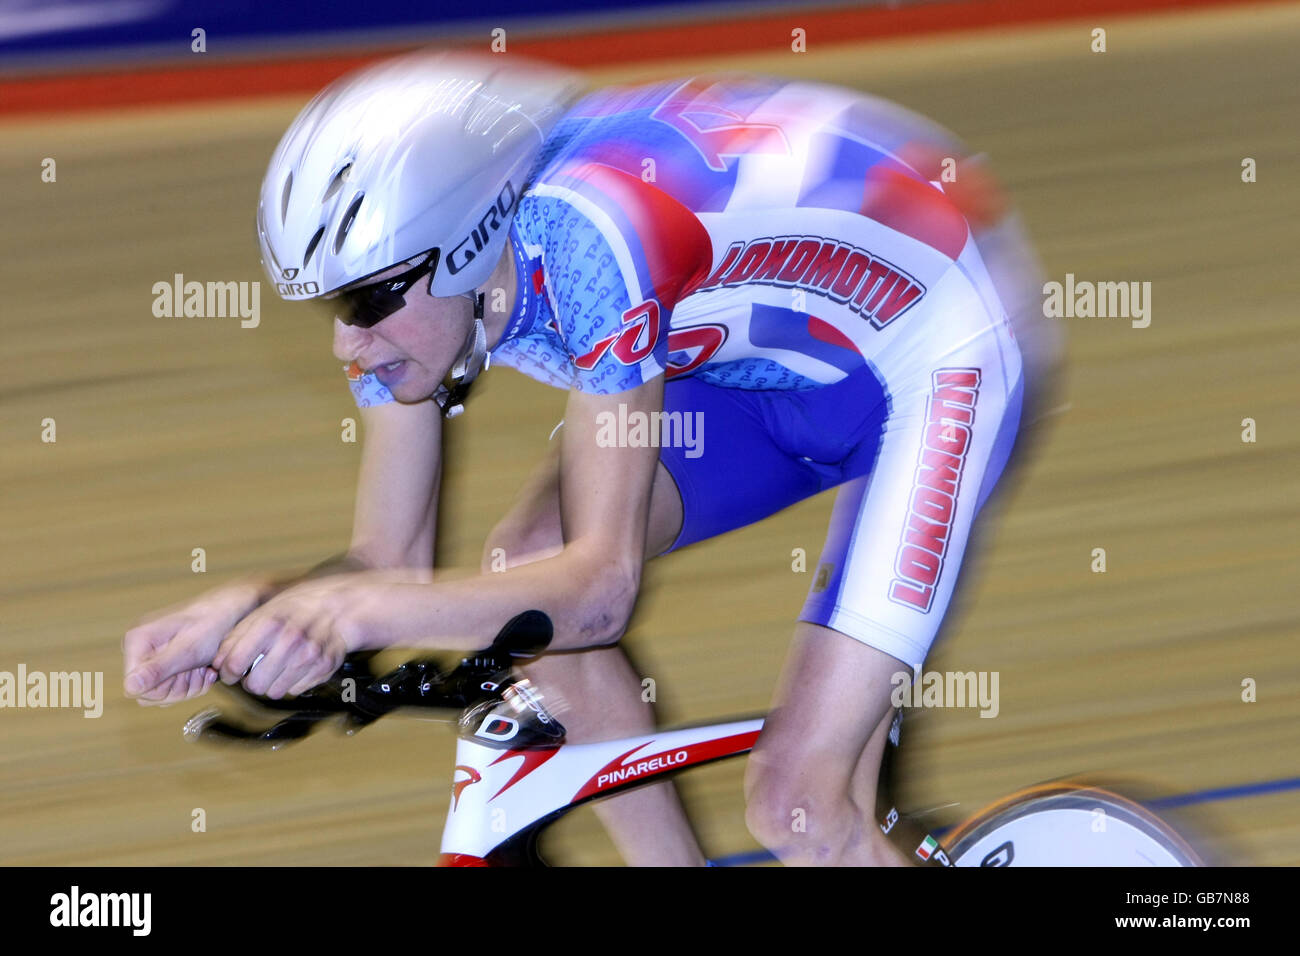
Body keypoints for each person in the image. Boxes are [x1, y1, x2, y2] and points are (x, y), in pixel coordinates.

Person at [123, 49, 1059, 866]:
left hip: (939, 343)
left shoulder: (593, 238)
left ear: (462, 249)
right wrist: (250, 607)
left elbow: (601, 591)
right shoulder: (416, 306)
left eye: (364, 302)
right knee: (524, 570)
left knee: (803, 808)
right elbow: (386, 565)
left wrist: (351, 610)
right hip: (768, 362)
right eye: (332, 308)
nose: (347, 344)